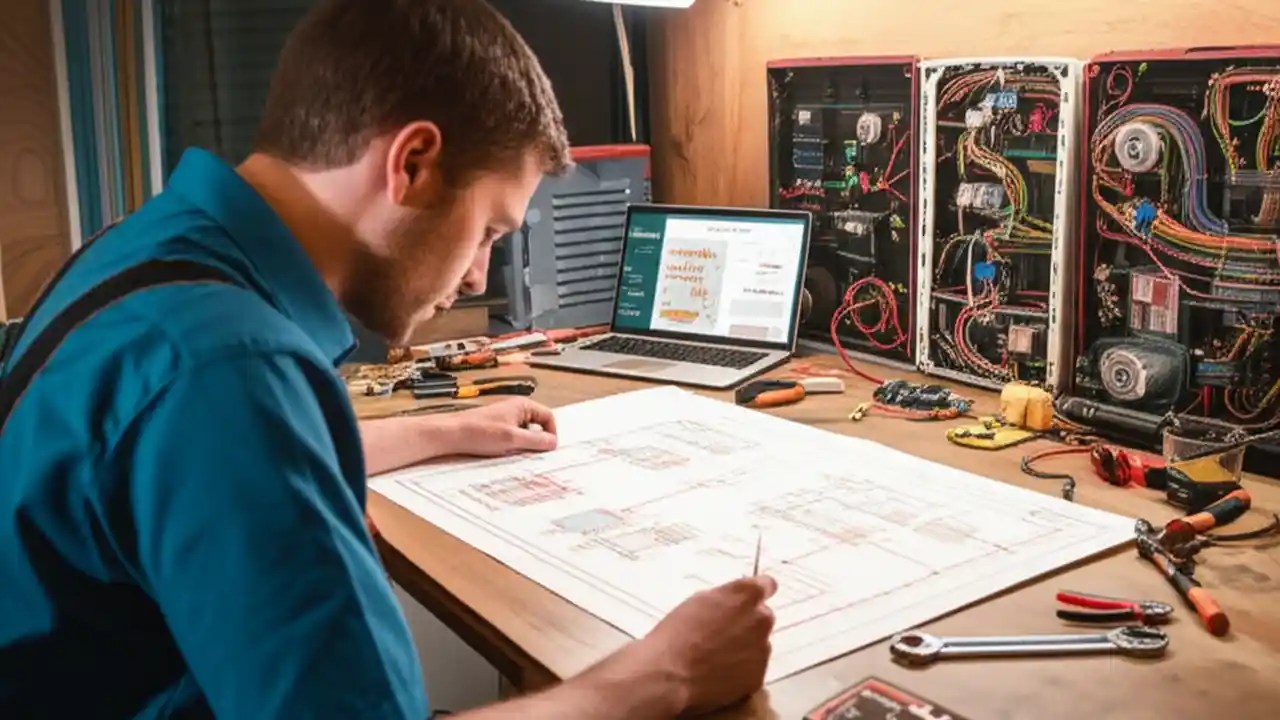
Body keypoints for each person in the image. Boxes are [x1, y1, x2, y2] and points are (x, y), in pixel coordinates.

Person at [0, 0, 779, 718]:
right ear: (412, 163)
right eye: (488, 232)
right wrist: (662, 675)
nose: (476, 276)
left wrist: (447, 430)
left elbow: (210, 460)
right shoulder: (228, 367)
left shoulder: (149, 252)